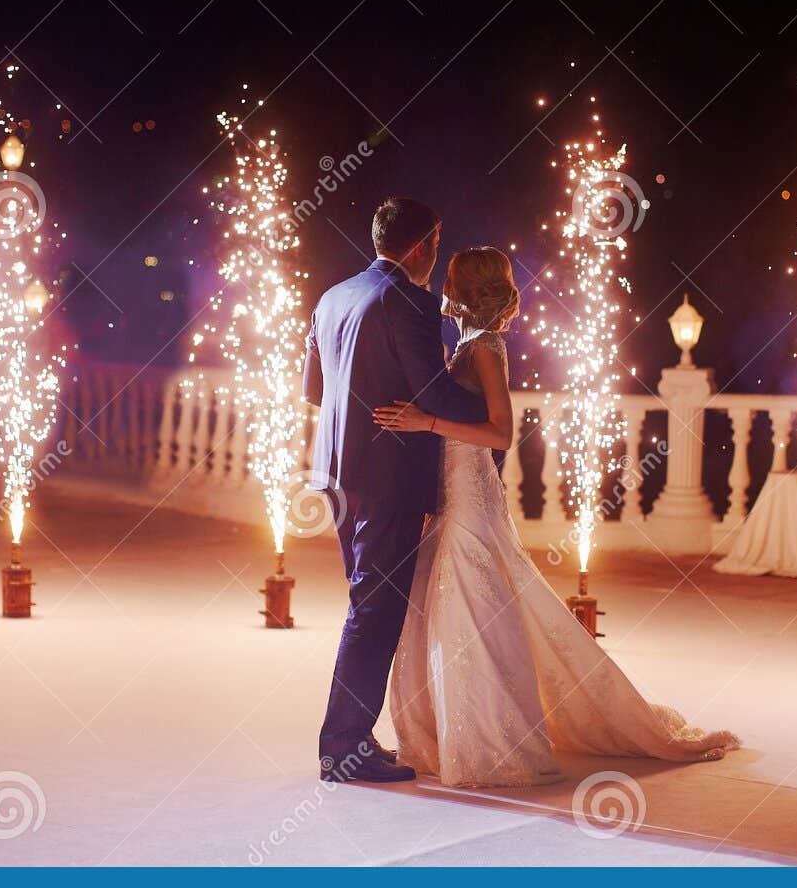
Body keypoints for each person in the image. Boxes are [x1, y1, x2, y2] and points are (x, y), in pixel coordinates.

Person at [374, 246, 739, 787]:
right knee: (446, 605)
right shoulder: (467, 345)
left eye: (450, 277)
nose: (442, 285)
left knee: (471, 606)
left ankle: (491, 741)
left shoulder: (486, 348)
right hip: (453, 492)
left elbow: (502, 434)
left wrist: (425, 423)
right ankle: (447, 734)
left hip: (470, 493)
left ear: (466, 288)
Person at [303, 197, 487, 783]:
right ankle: (343, 747)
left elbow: (314, 391)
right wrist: (491, 406)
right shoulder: (408, 300)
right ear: (422, 245)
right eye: (436, 243)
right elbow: (434, 395)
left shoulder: (333, 296)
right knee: (374, 611)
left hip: (336, 475)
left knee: (368, 607)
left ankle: (351, 739)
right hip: (387, 480)